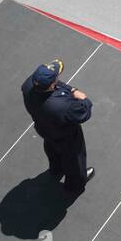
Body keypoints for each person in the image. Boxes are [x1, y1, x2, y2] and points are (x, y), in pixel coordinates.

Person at [21, 60, 94, 196]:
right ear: (51, 85)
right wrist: (83, 99)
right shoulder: (62, 106)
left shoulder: (28, 85)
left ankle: (56, 169)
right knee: (74, 161)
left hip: (44, 128)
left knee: (52, 149)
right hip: (66, 137)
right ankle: (75, 185)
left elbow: (56, 85)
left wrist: (70, 89)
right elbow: (84, 112)